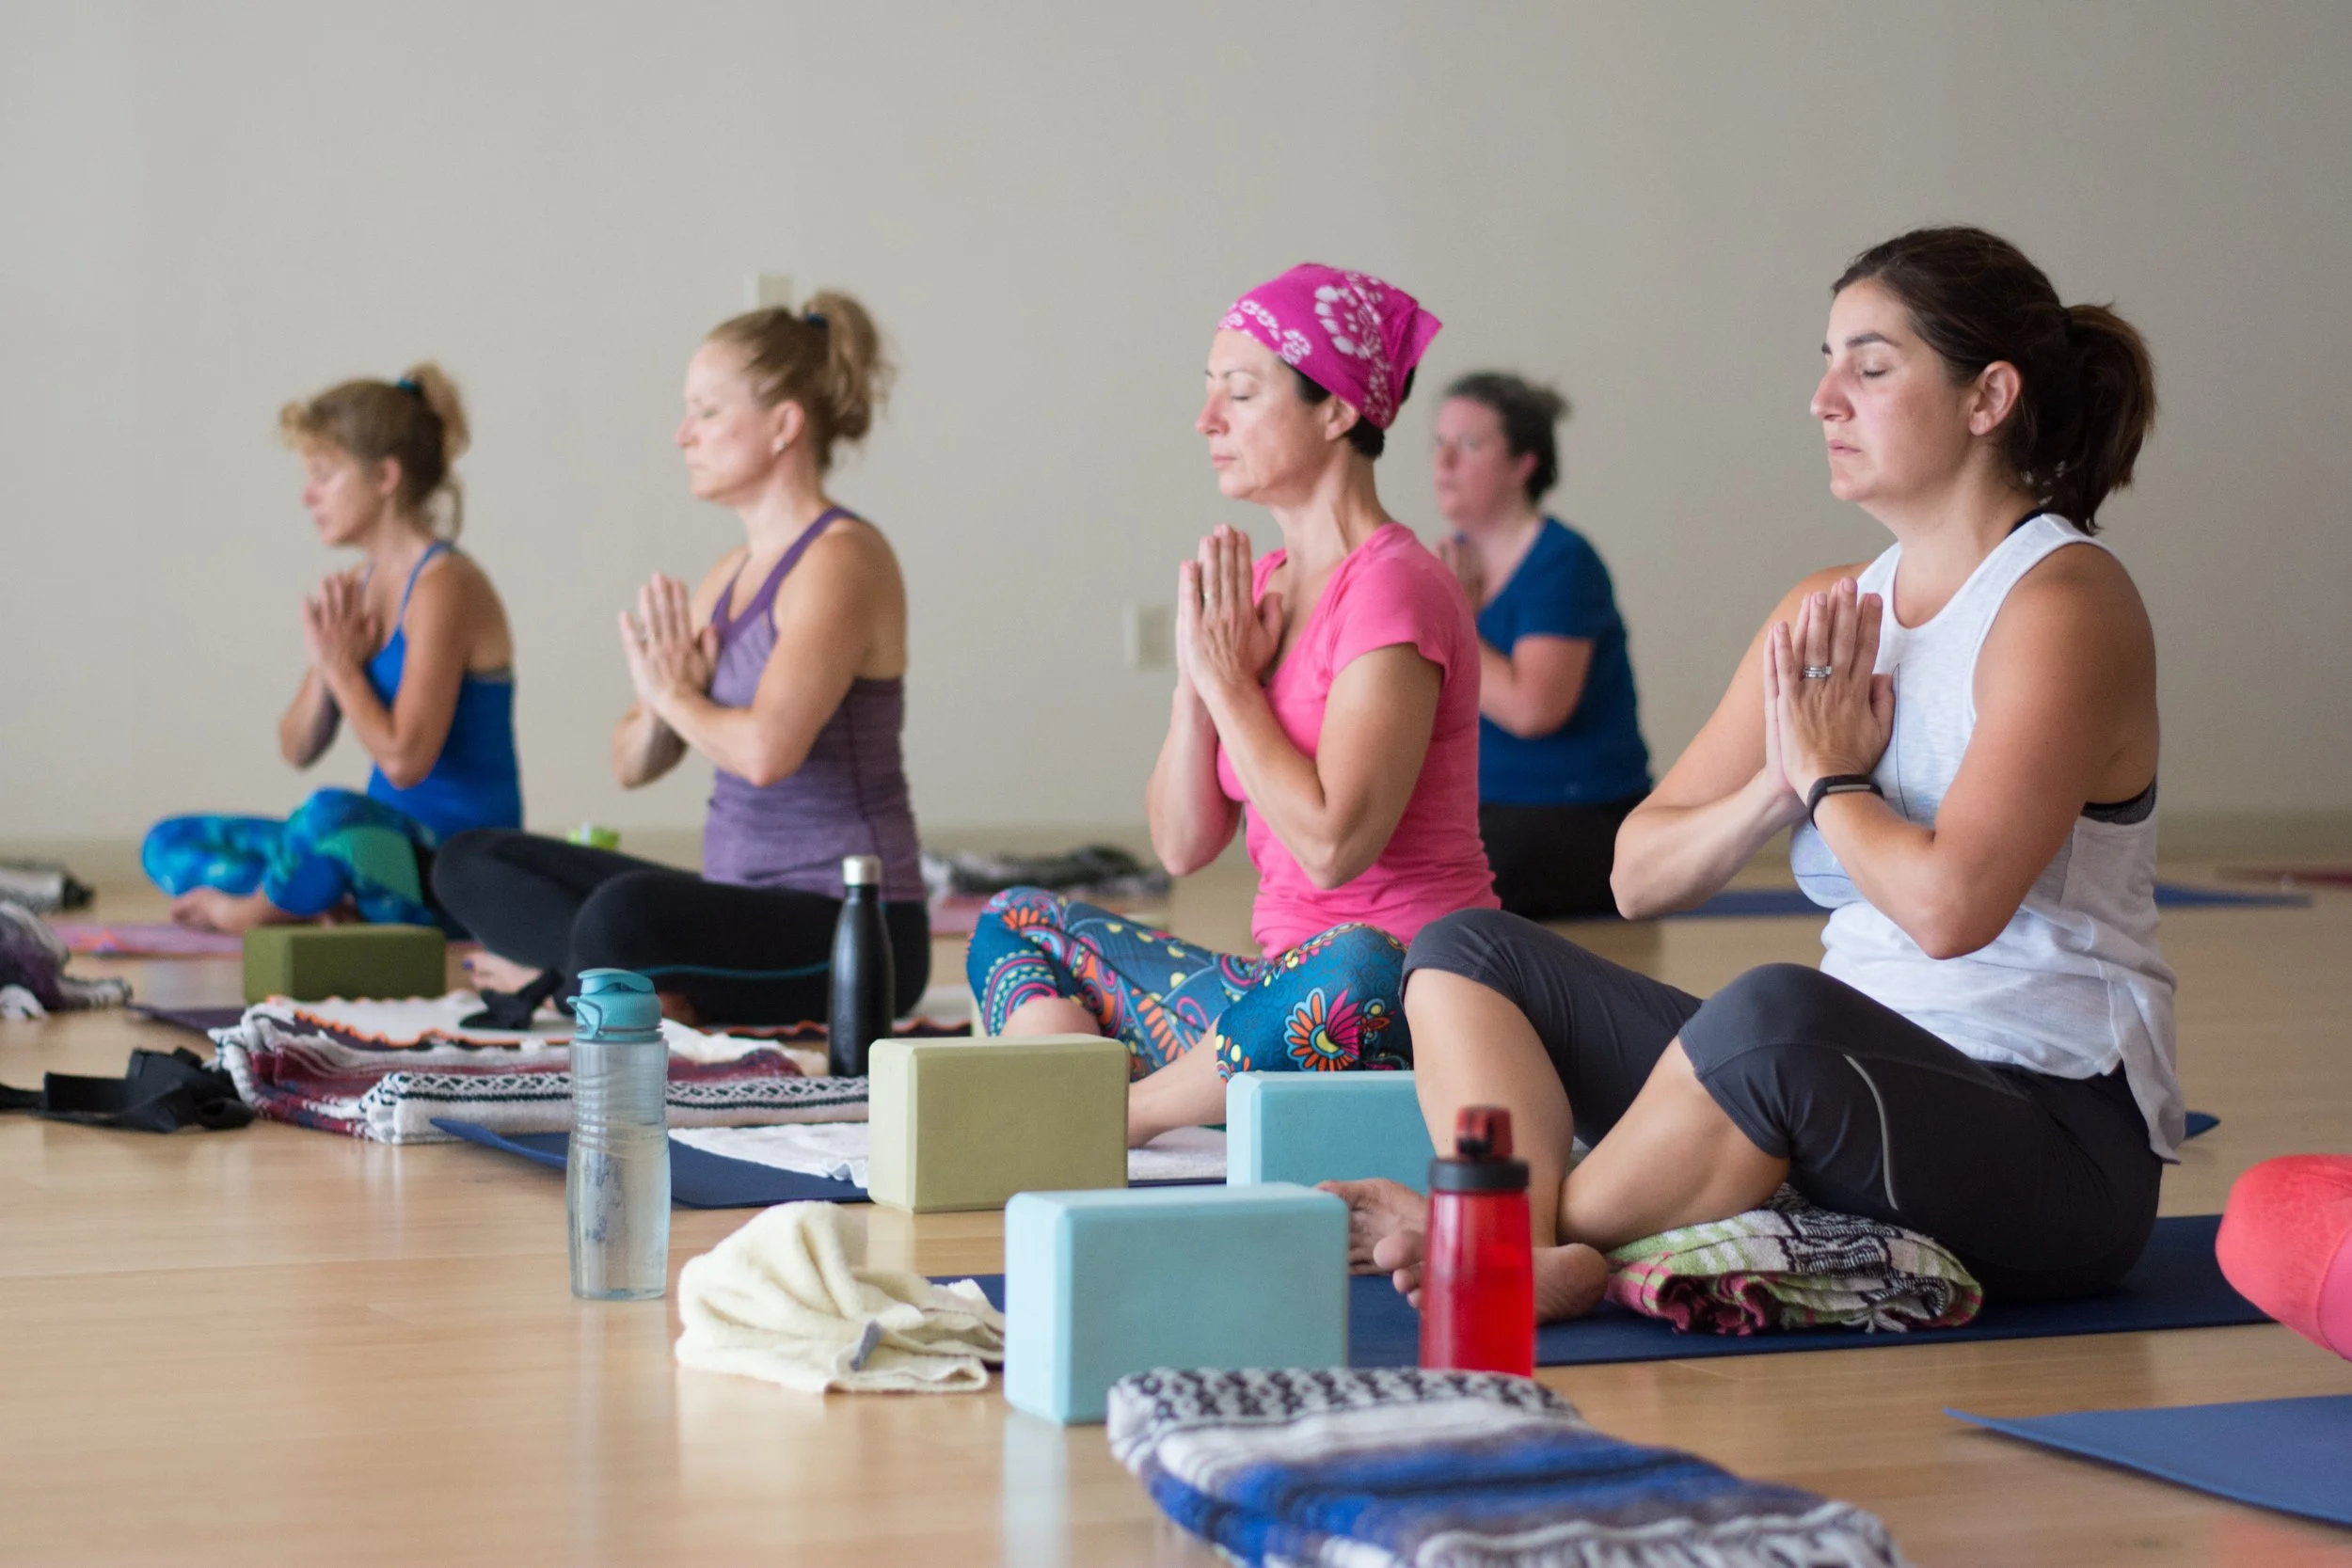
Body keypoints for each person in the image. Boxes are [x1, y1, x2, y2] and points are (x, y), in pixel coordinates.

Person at [1332, 226, 2177, 1323]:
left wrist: (1834, 780)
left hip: (2050, 1149)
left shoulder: (2063, 603)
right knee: (1465, 946)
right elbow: (1637, 872)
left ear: (1988, 398)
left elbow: (1952, 907)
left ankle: (1500, 1235)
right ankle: (1537, 1246)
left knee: (1773, 1012)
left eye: (1870, 367)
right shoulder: (1828, 605)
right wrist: (1777, 785)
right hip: (1843, 1096)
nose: (1825, 399)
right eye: (1825, 364)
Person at [967, 263, 1498, 1143]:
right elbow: (1181, 845)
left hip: (1408, 1007)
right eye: (1209, 392)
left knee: (1362, 963)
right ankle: (1094, 1086)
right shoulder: (1260, 587)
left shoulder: (1396, 588)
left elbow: (1333, 847)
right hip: (1272, 997)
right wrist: (1202, 682)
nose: (1207, 420)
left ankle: (1113, 1116)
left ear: (1335, 409)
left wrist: (1228, 686)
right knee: (1016, 918)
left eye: (1242, 393)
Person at [433, 294, 929, 1027]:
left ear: (785, 424)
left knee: (622, 915)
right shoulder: (728, 574)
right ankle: (603, 978)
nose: (681, 434)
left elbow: (765, 752)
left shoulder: (842, 559)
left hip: (856, 931)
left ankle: (573, 975)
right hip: (740, 904)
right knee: (467, 861)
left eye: (706, 411)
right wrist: (665, 699)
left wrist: (682, 701)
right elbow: (629, 764)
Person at [145, 367, 520, 933]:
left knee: (326, 816)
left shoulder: (445, 586)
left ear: (385, 477)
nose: (307, 496)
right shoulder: (359, 588)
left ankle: (254, 912)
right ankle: (318, 891)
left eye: (323, 475)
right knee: (168, 841)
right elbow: (295, 748)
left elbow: (404, 761)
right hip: (378, 848)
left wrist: (344, 670)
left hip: (456, 877)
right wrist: (327, 664)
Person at [1431, 372, 1650, 919]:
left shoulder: (1563, 561)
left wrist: (1457, 623)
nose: (1444, 462)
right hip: (1490, 811)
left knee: (1435, 884)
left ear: (1523, 463)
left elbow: (1534, 710)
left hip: (1579, 818)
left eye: (1470, 444)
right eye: (1439, 443)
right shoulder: (1452, 562)